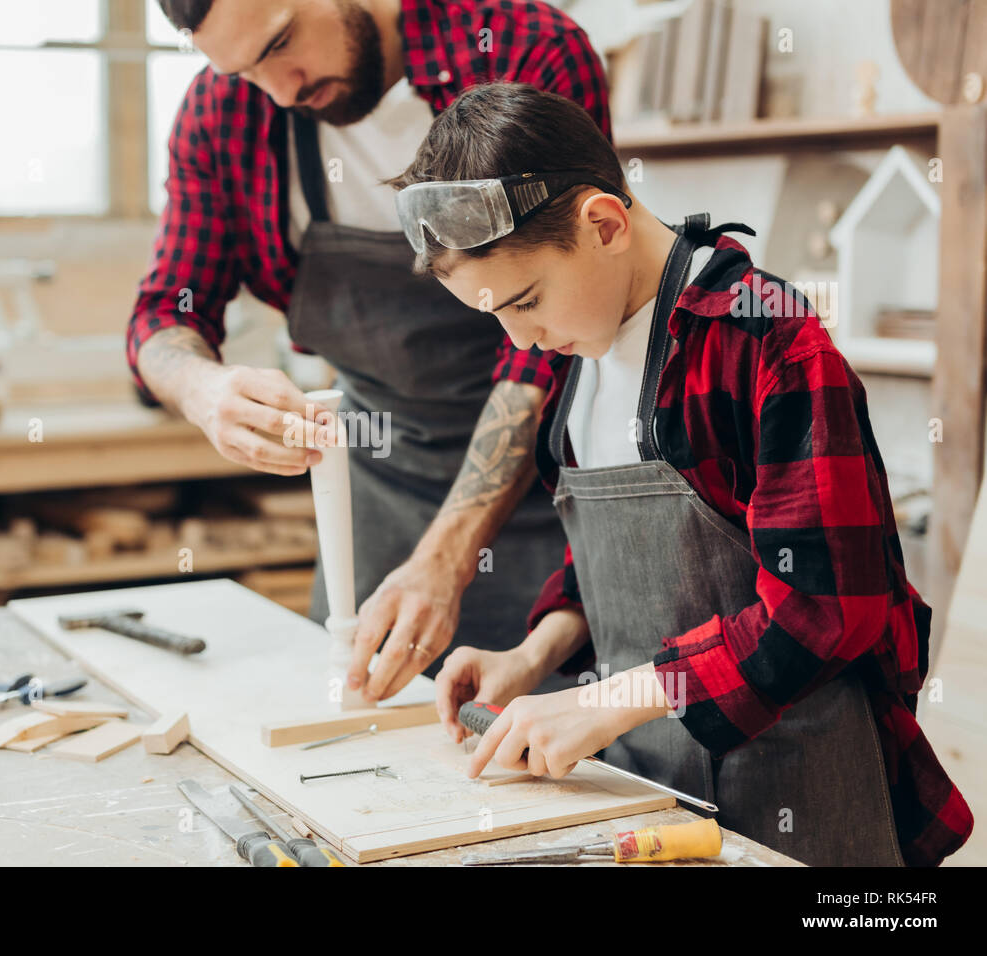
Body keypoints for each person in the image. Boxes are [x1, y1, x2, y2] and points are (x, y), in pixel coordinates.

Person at [390, 82, 972, 866]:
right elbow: (619, 553)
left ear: (603, 224)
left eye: (525, 301)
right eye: (495, 314)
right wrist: (533, 653)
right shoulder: (584, 345)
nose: (520, 339)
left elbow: (830, 607)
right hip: (650, 786)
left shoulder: (766, 338)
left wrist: (610, 699)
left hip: (799, 789)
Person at [130, 0, 611, 703]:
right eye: (247, 71)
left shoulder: (520, 48)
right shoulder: (224, 114)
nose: (283, 90)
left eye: (282, 42)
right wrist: (204, 389)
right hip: (375, 497)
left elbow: (550, 341)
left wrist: (448, 559)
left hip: (555, 495)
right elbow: (162, 311)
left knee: (557, 768)